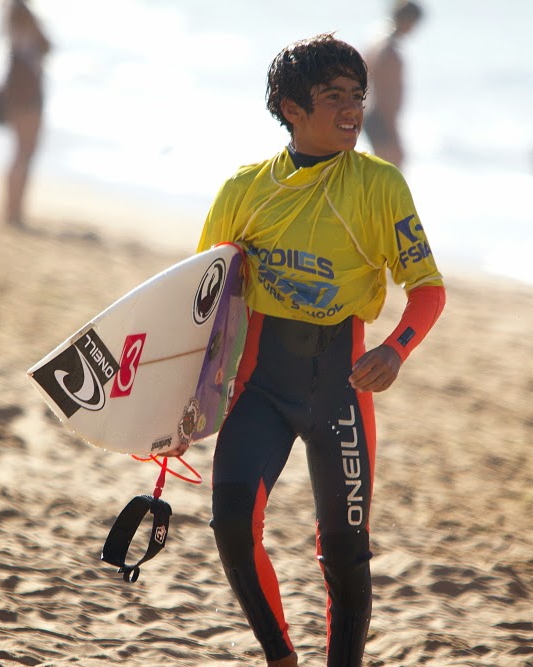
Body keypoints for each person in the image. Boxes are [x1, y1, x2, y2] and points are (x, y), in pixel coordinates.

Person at [184, 33, 446, 667]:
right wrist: (178, 405)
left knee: (346, 555)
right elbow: (198, 303)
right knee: (231, 528)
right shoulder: (244, 191)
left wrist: (396, 349)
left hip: (342, 388)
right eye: (335, 97)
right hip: (260, 388)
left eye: (359, 95)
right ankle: (281, 657)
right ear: (291, 107)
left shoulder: (380, 186)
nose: (354, 108)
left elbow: (428, 292)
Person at [0, 0, 51, 229]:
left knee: (20, 154)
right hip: (27, 95)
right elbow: (47, 45)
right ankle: (14, 213)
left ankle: (12, 211)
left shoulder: (12, 13)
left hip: (17, 93)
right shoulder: (22, 13)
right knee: (25, 154)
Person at [362, 1, 424, 168]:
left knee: (383, 172)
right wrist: (392, 130)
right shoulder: (389, 52)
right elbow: (386, 94)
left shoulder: (376, 39)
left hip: (371, 113)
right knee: (392, 170)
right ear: (407, 19)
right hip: (381, 116)